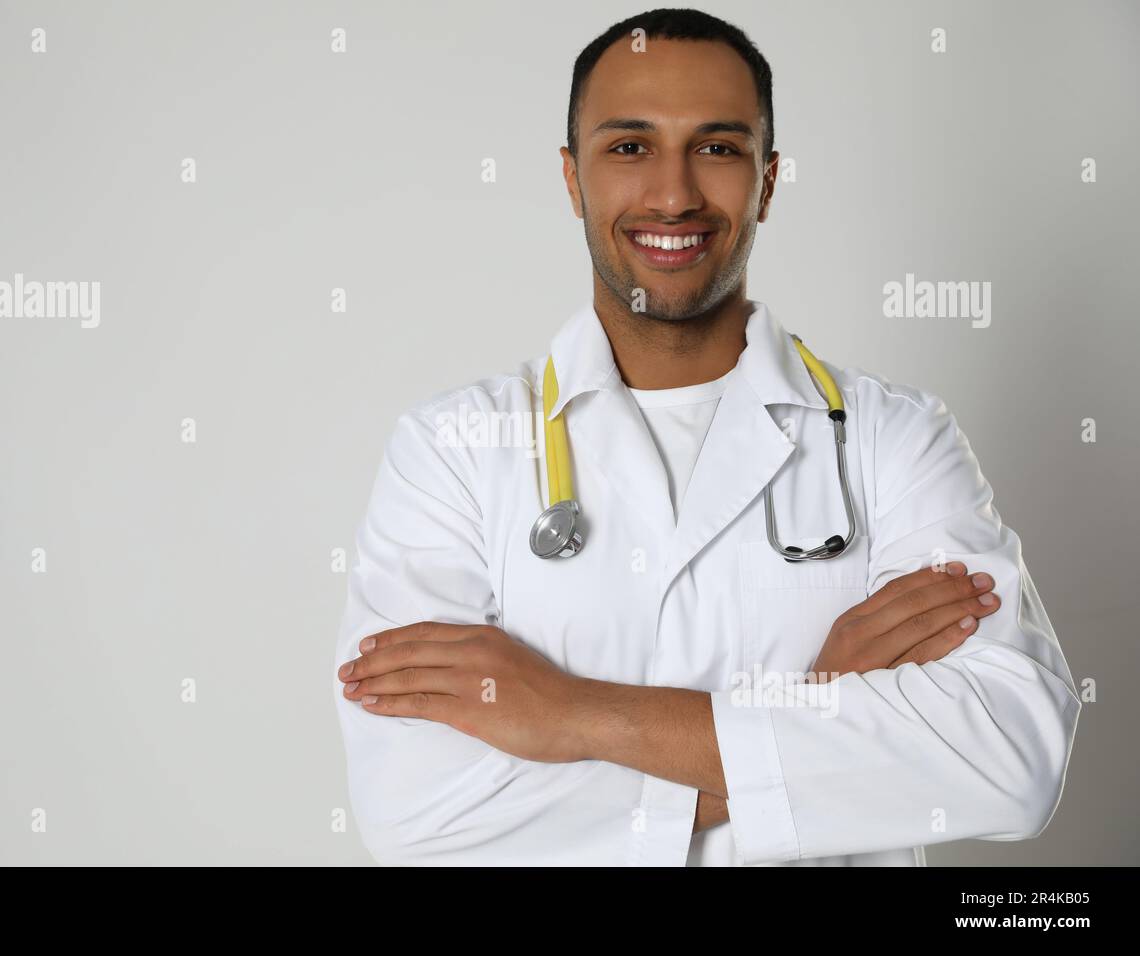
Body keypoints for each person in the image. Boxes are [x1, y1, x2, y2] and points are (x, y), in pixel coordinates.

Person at [332, 8, 1080, 866]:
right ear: (573, 179)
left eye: (718, 148)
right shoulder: (452, 451)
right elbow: (420, 819)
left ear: (767, 180)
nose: (674, 193)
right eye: (629, 147)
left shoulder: (894, 438)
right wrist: (819, 703)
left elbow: (1011, 759)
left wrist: (570, 713)